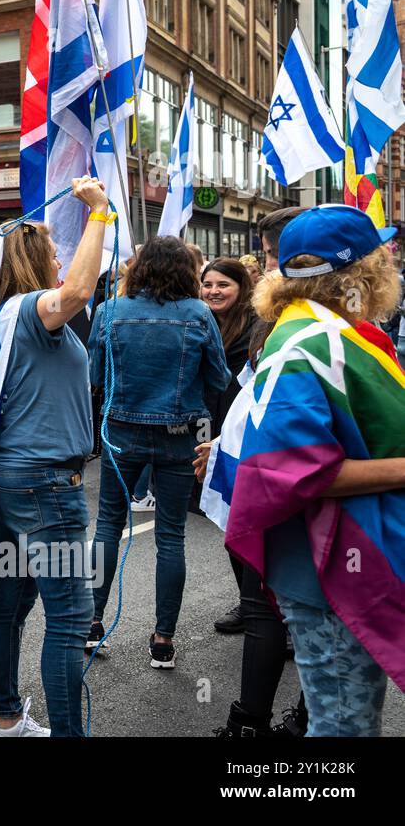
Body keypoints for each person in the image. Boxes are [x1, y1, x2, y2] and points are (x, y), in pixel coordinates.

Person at [228, 205, 404, 737]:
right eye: (384, 253)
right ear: (361, 272)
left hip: (346, 557)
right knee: (343, 727)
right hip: (332, 567)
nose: (391, 260)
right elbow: (294, 472)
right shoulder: (309, 341)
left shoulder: (331, 330)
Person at [0, 175, 112, 738]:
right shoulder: (32, 310)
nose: (63, 262)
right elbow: (80, 293)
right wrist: (100, 214)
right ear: (34, 262)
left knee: (11, 605)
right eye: (56, 253)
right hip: (45, 487)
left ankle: (5, 718)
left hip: (21, 481)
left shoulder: (5, 316)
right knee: (69, 617)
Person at [87, 235, 231, 669]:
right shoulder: (198, 313)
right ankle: (163, 638)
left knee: (108, 526)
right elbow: (220, 379)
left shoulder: (110, 311)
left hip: (122, 430)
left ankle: (92, 624)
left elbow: (95, 375)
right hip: (177, 432)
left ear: (140, 267)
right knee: (171, 535)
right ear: (187, 271)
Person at [197, 258, 258, 634]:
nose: (213, 291)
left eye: (223, 285)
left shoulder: (256, 327)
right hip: (211, 429)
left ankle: (268, 613)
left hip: (243, 434)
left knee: (246, 524)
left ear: (242, 289)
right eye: (208, 285)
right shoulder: (202, 322)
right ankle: (252, 605)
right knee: (230, 525)